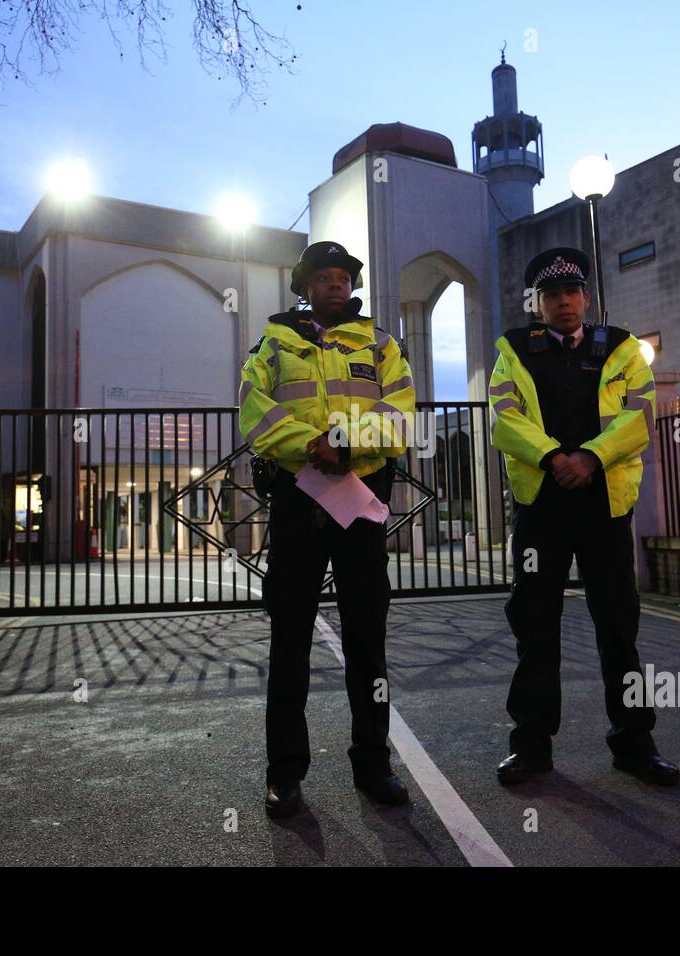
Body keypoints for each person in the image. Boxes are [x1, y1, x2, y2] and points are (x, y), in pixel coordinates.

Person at [238, 240, 418, 817]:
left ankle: (374, 765)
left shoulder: (383, 344)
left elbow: (401, 414)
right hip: (297, 499)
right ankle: (284, 776)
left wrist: (345, 443)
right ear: (305, 287)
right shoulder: (273, 344)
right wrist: (307, 443)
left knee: (368, 637)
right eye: (325, 277)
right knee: (289, 639)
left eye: (344, 277)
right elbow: (254, 409)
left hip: (359, 498)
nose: (336, 285)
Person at [488, 246, 680, 786]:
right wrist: (554, 458)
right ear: (539, 303)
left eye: (571, 293)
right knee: (535, 626)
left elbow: (641, 414)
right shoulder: (514, 351)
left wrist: (591, 457)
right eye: (552, 295)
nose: (563, 302)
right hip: (541, 506)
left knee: (618, 628)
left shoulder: (621, 349)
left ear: (586, 298)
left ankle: (634, 744)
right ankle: (531, 747)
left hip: (604, 505)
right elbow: (503, 417)